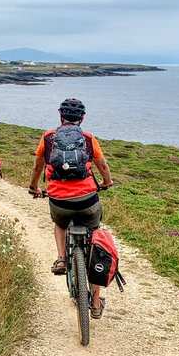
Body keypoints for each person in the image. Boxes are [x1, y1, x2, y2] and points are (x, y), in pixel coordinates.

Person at [28, 98, 113, 318]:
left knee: (59, 223)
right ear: (82, 118)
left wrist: (33, 186)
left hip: (59, 200)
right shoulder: (87, 138)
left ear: (60, 116)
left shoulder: (48, 137)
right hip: (87, 199)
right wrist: (106, 182)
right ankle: (95, 302)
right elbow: (102, 165)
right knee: (94, 239)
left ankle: (62, 258)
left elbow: (38, 165)